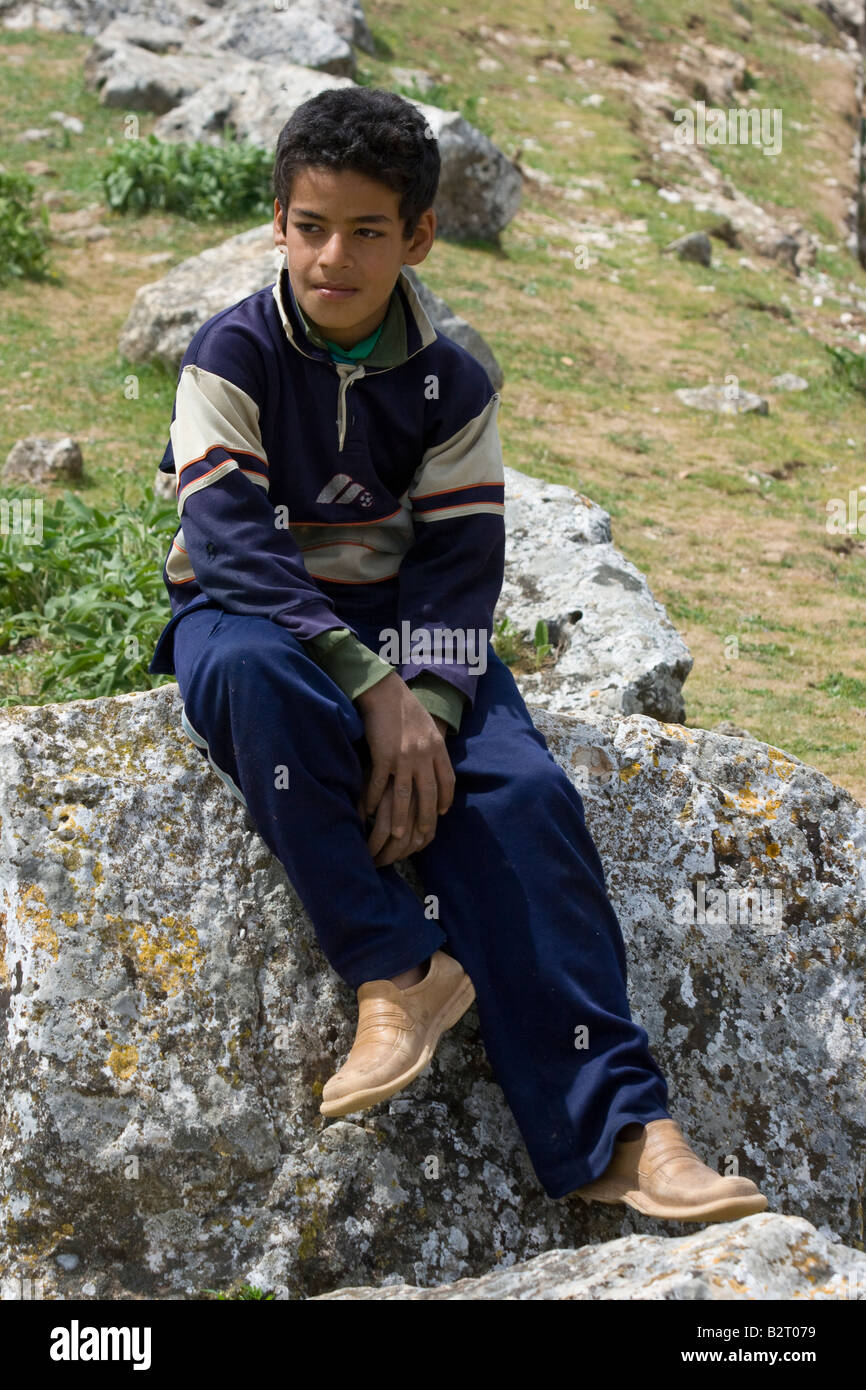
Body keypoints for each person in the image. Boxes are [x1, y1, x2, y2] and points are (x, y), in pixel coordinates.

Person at [147, 86, 768, 1224]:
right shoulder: (227, 354)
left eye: (366, 231)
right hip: (253, 614)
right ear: (277, 223)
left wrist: (428, 702)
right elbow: (231, 547)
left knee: (521, 794)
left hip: (410, 625)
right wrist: (374, 691)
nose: (333, 257)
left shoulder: (452, 379)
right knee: (248, 681)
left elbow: (456, 562)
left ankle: (623, 1130)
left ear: (418, 235)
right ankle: (396, 971)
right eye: (310, 227)